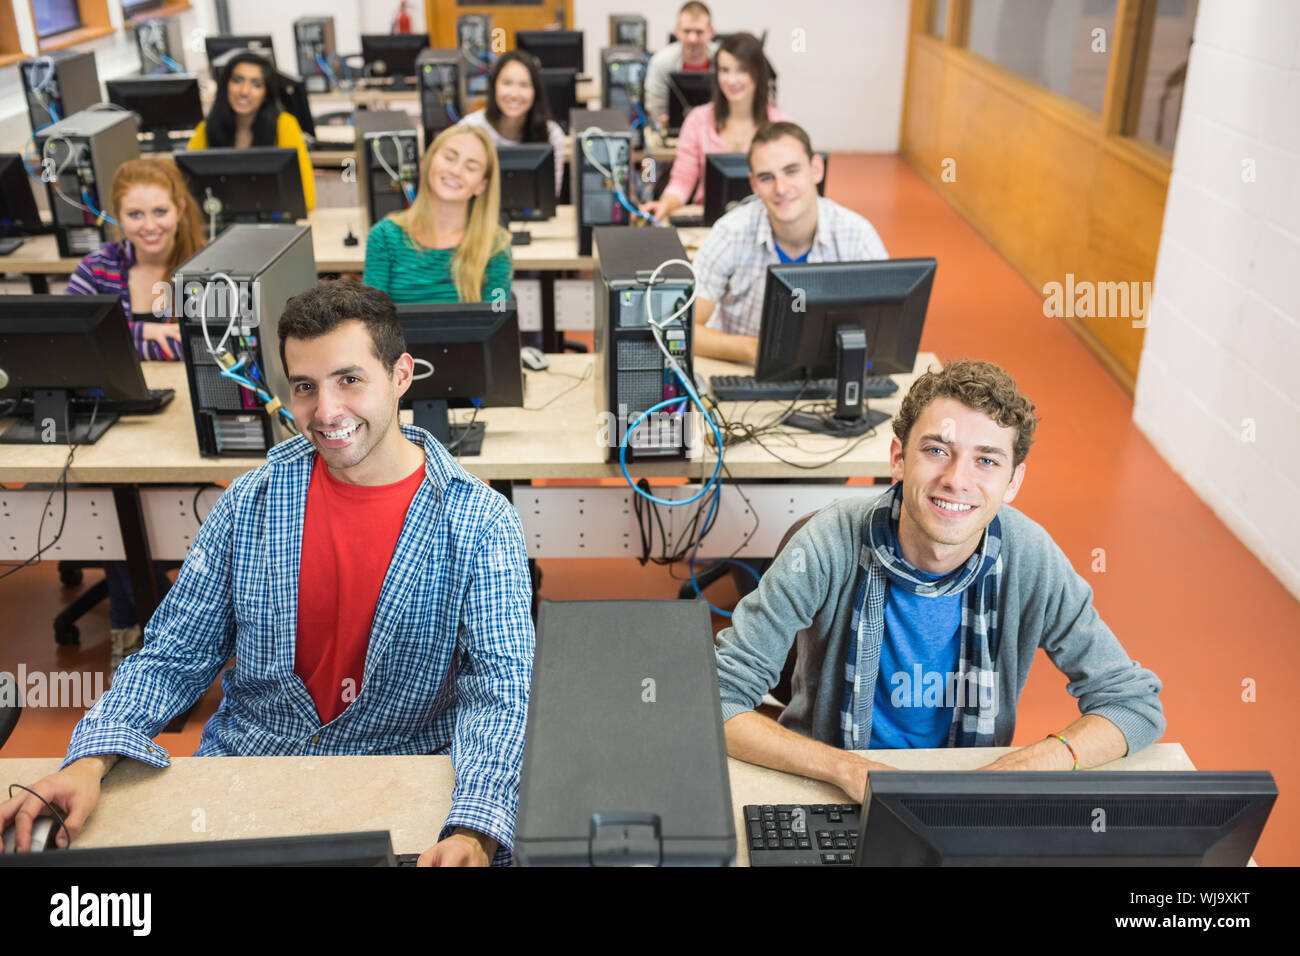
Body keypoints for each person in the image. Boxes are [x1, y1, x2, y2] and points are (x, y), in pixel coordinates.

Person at [0, 280, 535, 866]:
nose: (326, 412)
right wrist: (90, 759)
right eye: (306, 387)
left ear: (402, 375)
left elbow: (499, 694)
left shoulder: (481, 523)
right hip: (251, 773)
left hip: (398, 785)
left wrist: (473, 831)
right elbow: (174, 655)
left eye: (349, 380)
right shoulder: (253, 501)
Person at [714, 359, 1166, 802]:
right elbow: (716, 697)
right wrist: (843, 767)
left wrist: (1030, 763)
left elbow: (1133, 706)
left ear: (1013, 482)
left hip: (968, 793)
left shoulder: (1031, 557)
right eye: (936, 451)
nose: (956, 480)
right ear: (898, 458)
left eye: (987, 460)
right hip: (827, 786)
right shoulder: (827, 543)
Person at [65, 157, 208, 672]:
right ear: (116, 217)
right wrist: (160, 335)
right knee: (113, 492)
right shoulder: (98, 268)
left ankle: (157, 618)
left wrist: (130, 336)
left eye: (160, 210)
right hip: (120, 417)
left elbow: (213, 344)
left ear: (180, 207)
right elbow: (76, 343)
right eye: (134, 214)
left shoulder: (207, 263)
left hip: (185, 418)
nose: (149, 225)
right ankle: (135, 621)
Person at [690, 121, 889, 364]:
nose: (781, 188)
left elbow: (886, 333)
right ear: (754, 185)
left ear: (816, 169)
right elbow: (685, 330)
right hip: (744, 376)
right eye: (766, 178)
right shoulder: (730, 232)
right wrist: (754, 350)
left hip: (830, 376)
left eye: (791, 171)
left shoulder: (857, 235)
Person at [641, 31, 788, 224]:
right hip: (709, 226)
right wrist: (665, 205)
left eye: (742, 70)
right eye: (724, 70)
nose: (731, 80)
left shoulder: (781, 126)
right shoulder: (698, 119)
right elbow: (682, 182)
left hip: (765, 223)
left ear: (758, 73)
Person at [363, 124, 512, 305]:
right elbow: (371, 320)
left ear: (482, 185)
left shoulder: (495, 246)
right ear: (427, 162)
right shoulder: (384, 237)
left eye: (471, 168)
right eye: (449, 158)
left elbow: (498, 316)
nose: (456, 171)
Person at [187, 50, 316, 212]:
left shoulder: (284, 125)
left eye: (256, 84)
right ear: (225, 85)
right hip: (220, 224)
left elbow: (306, 199)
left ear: (266, 93)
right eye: (237, 80)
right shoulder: (205, 129)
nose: (244, 91)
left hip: (271, 227)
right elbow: (185, 194)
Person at [458, 50, 567, 198]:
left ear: (535, 91)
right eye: (507, 83)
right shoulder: (470, 128)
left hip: (533, 220)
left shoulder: (552, 134)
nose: (514, 94)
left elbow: (550, 195)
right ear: (494, 86)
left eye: (524, 85)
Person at [644, 1, 719, 126]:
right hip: (674, 132)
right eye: (687, 31)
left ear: (711, 32)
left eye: (699, 32)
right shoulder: (660, 62)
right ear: (677, 31)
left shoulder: (724, 60)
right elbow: (655, 107)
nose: (692, 39)